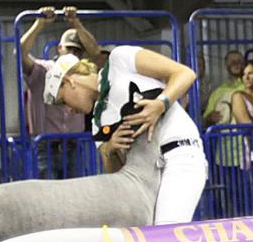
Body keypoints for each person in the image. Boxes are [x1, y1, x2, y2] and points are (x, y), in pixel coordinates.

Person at [44, 45, 206, 224]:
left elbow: (185, 73)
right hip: (145, 181)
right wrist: (110, 148)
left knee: (165, 231)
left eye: (62, 101)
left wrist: (161, 104)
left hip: (180, 154)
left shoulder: (119, 59)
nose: (67, 110)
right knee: (152, 238)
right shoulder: (98, 123)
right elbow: (118, 178)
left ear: (69, 81)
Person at [21, 6, 101, 178]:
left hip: (74, 145)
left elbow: (96, 53)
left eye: (78, 50)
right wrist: (39, 23)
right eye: (69, 48)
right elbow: (20, 53)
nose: (73, 53)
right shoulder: (42, 71)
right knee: (47, 197)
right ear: (59, 48)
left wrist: (77, 23)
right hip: (45, 147)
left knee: (76, 194)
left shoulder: (85, 74)